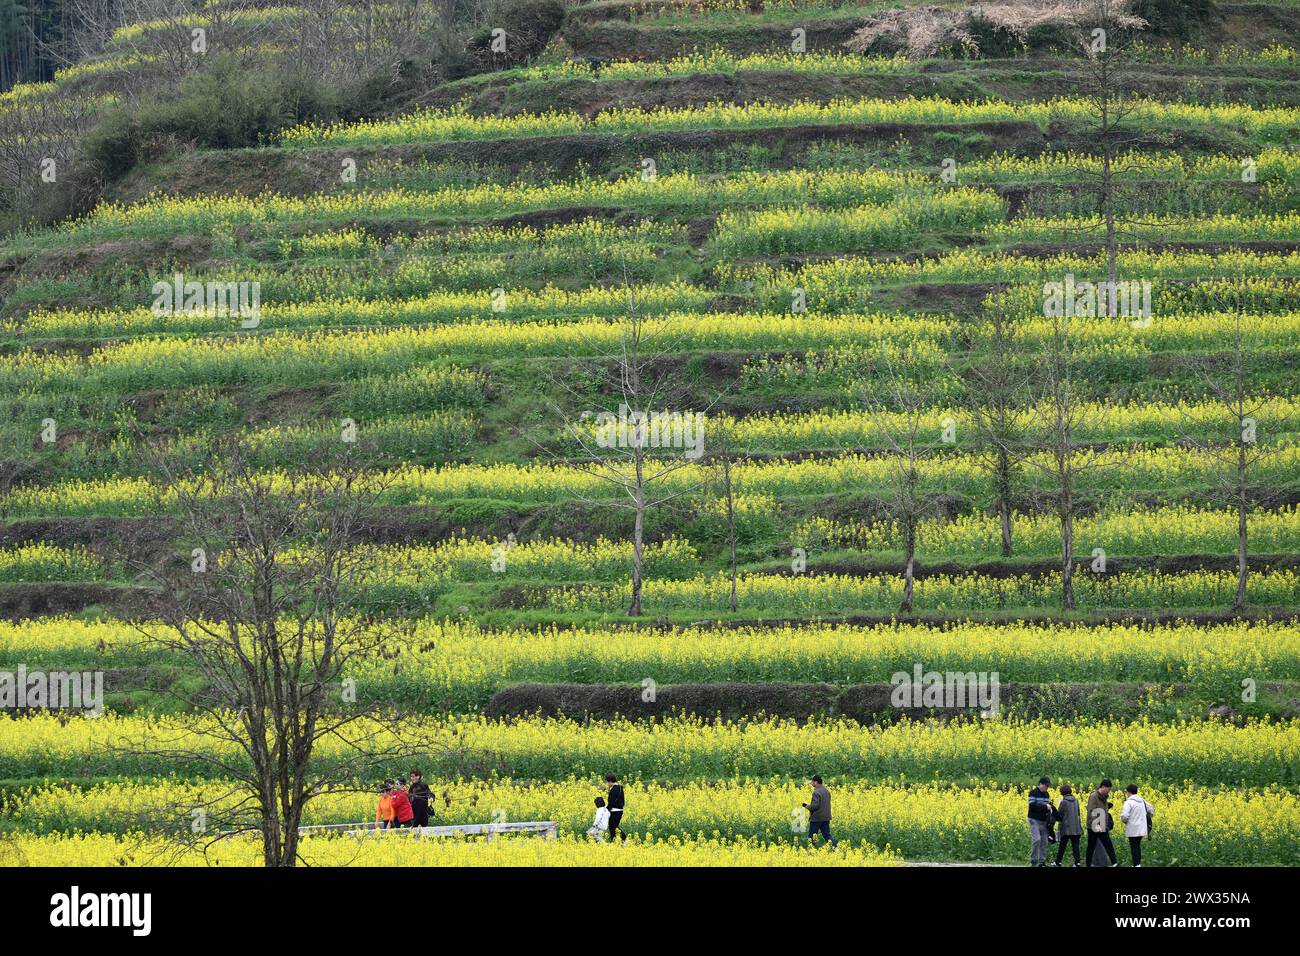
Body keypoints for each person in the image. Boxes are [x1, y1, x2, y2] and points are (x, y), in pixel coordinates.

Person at [1086, 779, 1119, 867]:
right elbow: (1091, 810)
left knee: (1108, 844)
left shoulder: (1104, 797)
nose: (1109, 791)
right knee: (1091, 847)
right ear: (1103, 787)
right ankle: (1088, 864)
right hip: (1093, 826)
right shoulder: (1094, 796)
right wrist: (1095, 824)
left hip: (1103, 825)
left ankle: (1115, 863)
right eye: (1108, 789)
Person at [1120, 784, 1153, 867]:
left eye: (1126, 792)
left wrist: (1125, 821)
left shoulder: (1128, 802)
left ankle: (1136, 865)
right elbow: (1151, 810)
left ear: (1128, 792)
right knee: (1137, 846)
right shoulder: (1142, 801)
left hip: (1133, 829)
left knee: (1134, 846)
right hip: (1142, 828)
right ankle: (1138, 864)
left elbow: (1124, 816)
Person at [1027, 775, 1054, 866]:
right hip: (1033, 820)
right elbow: (1032, 806)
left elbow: (1046, 806)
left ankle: (1042, 862)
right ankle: (1033, 861)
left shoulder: (1047, 794)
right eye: (1046, 786)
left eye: (1048, 786)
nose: (1047, 788)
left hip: (1044, 821)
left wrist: (1050, 808)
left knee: (1044, 841)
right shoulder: (1033, 793)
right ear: (1040, 784)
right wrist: (1045, 806)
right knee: (1037, 840)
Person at [803, 775, 837, 847]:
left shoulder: (816, 792)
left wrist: (806, 806)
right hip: (826, 817)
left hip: (817, 818)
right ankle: (836, 848)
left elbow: (815, 806)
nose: (811, 783)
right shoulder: (827, 791)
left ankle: (811, 851)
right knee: (827, 835)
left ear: (816, 782)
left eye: (812, 782)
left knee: (811, 836)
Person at [1053, 784, 1083, 867]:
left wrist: (1053, 810)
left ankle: (1058, 862)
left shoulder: (1064, 802)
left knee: (1062, 846)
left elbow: (1059, 816)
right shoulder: (1076, 801)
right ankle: (1077, 863)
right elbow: (1078, 814)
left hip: (1066, 828)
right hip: (1076, 828)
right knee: (1075, 846)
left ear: (1062, 793)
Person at [604, 774, 626, 843]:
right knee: (614, 826)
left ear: (610, 781)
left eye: (607, 782)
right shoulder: (620, 788)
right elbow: (623, 801)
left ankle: (623, 838)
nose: (607, 784)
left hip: (614, 811)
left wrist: (606, 810)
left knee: (613, 827)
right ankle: (616, 841)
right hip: (620, 811)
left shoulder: (613, 789)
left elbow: (611, 802)